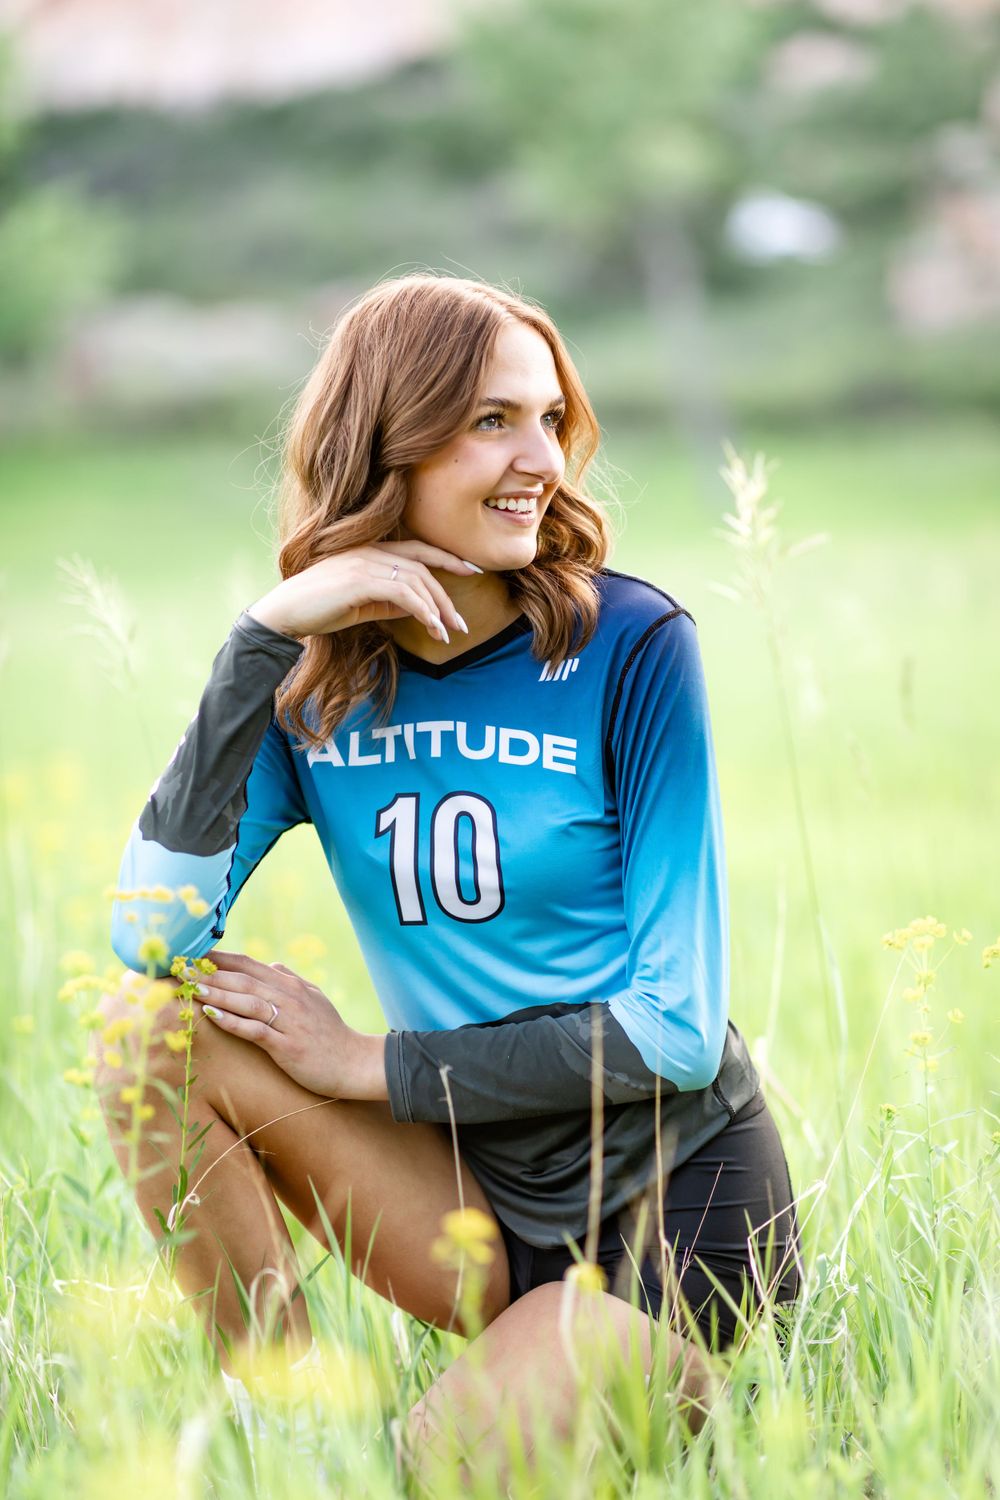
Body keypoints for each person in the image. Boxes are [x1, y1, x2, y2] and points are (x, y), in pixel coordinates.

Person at [92, 271, 801, 1477]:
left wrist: (367, 1064)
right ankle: (283, 1423)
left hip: (668, 1219)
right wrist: (255, 648)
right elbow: (149, 937)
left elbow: (675, 1035)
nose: (541, 459)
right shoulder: (311, 684)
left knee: (440, 1462)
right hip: (471, 1205)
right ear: (389, 443)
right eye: (490, 422)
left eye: (547, 418)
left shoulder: (630, 645)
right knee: (143, 1032)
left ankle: (669, 1400)